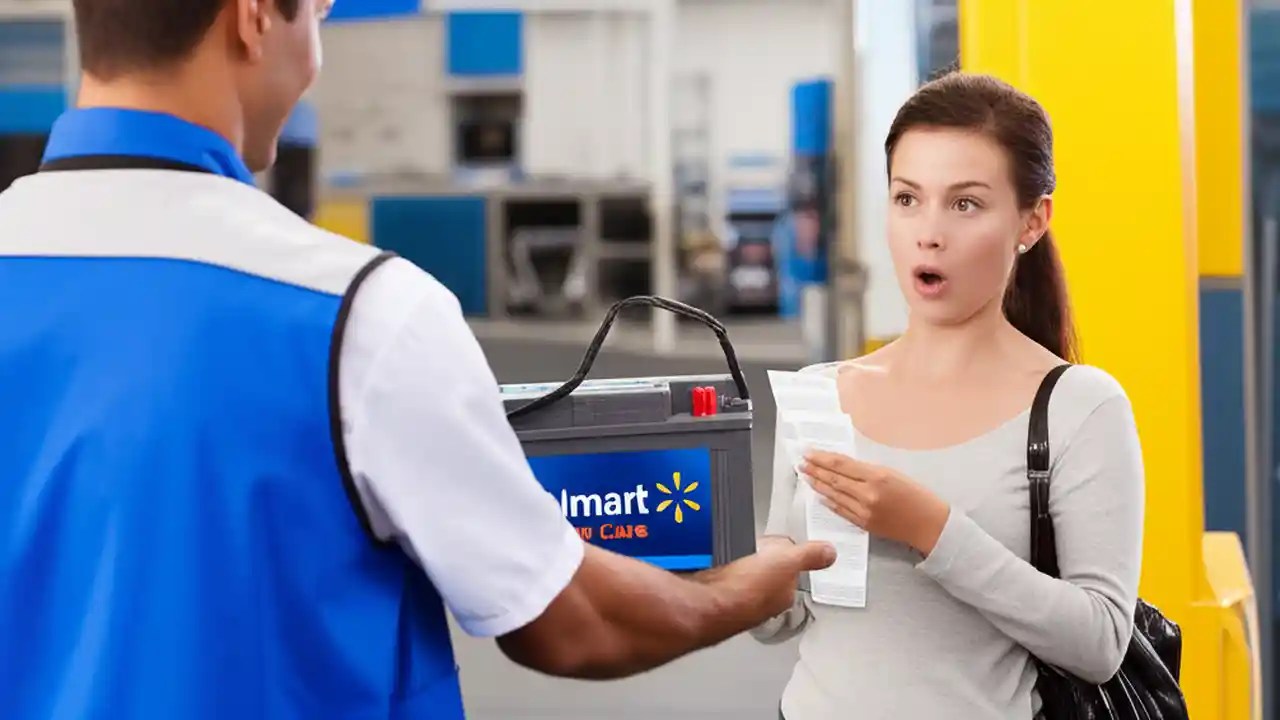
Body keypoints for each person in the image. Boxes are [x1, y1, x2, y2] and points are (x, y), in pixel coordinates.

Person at [0, 1, 836, 718]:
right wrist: (743, 590)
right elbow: (575, 621)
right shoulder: (357, 310)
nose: (315, 58)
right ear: (254, 17)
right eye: (319, 15)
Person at [752, 72, 1145, 719]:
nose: (928, 232)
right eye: (908, 199)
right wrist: (749, 574)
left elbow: (1100, 642)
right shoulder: (820, 395)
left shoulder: (1079, 406)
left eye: (965, 204)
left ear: (1032, 220)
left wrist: (929, 530)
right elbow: (783, 619)